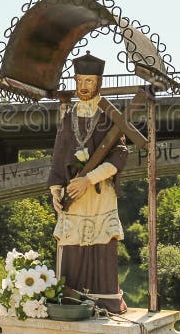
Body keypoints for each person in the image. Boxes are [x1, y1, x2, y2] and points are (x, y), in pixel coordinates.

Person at [48, 51, 128, 314]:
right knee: (71, 245)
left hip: (100, 191)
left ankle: (104, 300)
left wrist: (89, 179)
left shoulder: (109, 115)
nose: (83, 87)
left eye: (89, 82)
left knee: (101, 246)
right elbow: (60, 154)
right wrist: (56, 190)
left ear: (98, 83)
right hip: (74, 194)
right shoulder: (68, 116)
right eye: (80, 81)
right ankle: (71, 301)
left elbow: (120, 154)